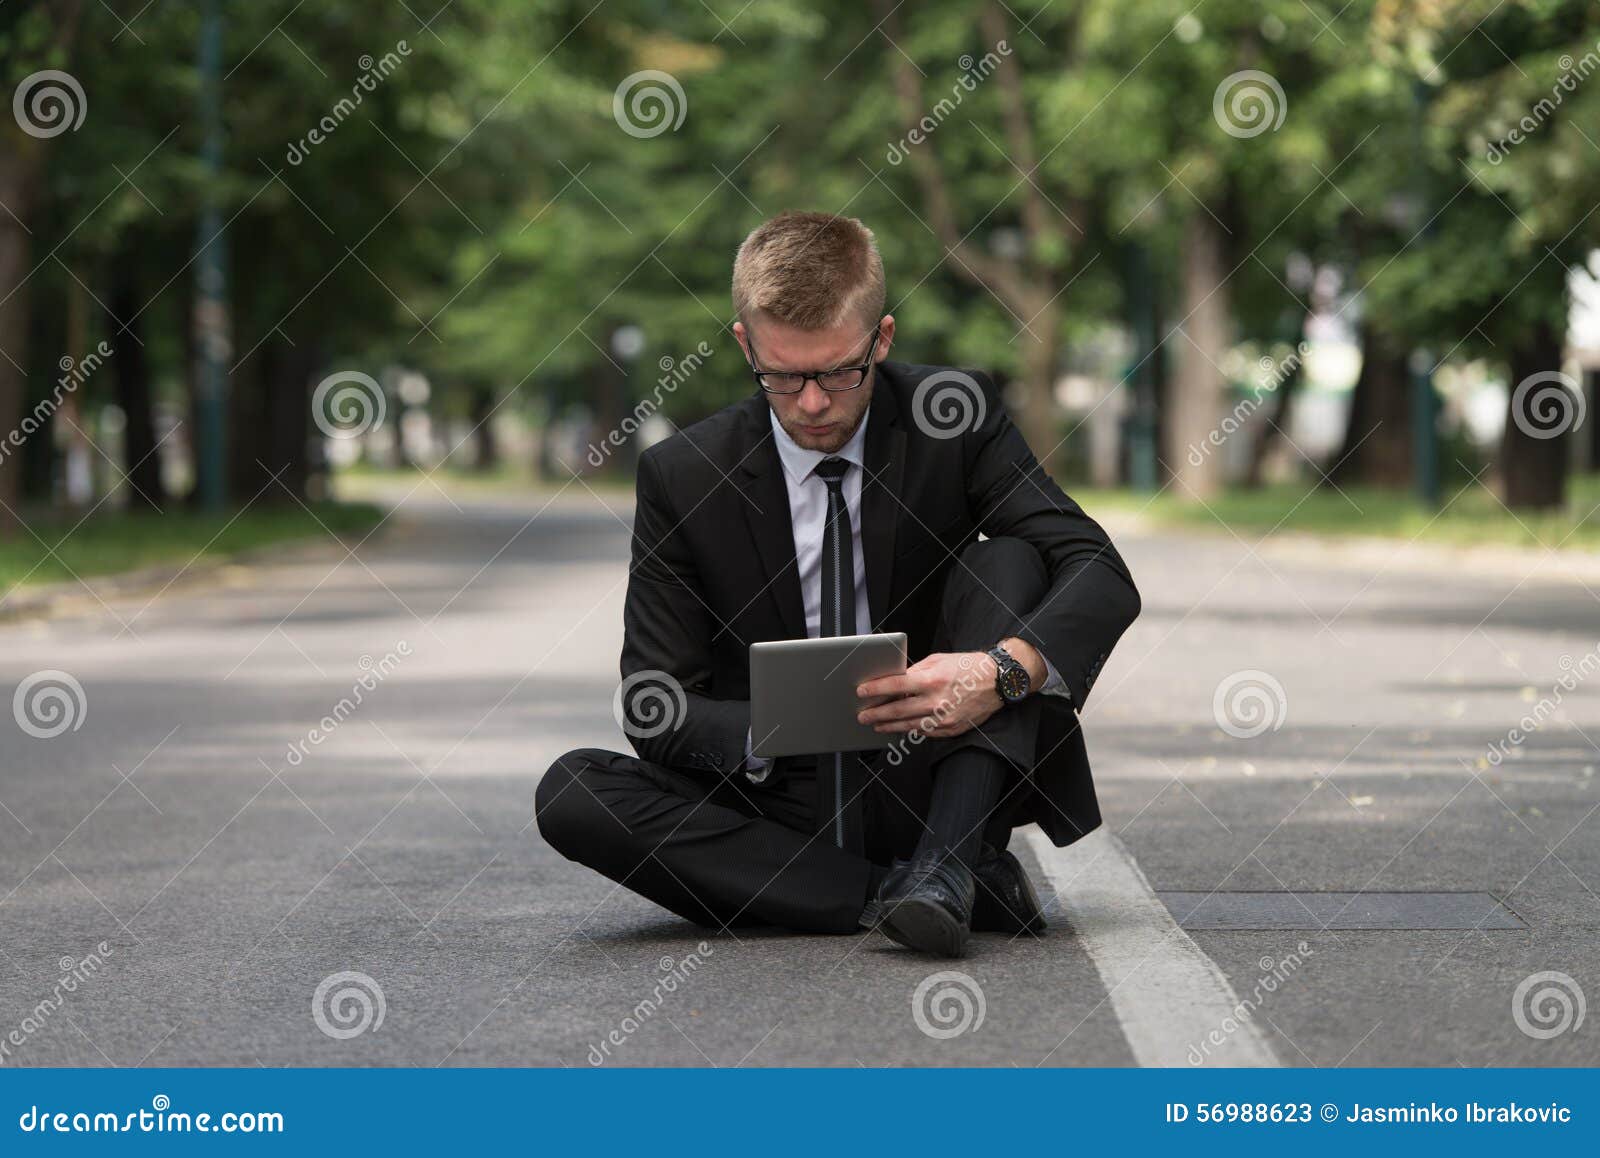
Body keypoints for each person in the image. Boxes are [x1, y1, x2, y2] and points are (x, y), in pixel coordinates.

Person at [536, 210, 1140, 958]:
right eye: (781, 376)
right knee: (573, 792)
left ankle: (944, 861)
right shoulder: (684, 474)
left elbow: (1098, 569)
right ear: (744, 344)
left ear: (881, 340)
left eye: (838, 371)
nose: (813, 404)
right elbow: (654, 704)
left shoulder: (953, 418)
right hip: (773, 798)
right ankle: (903, 890)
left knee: (1009, 560)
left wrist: (1000, 672)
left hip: (935, 762)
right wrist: (779, 725)